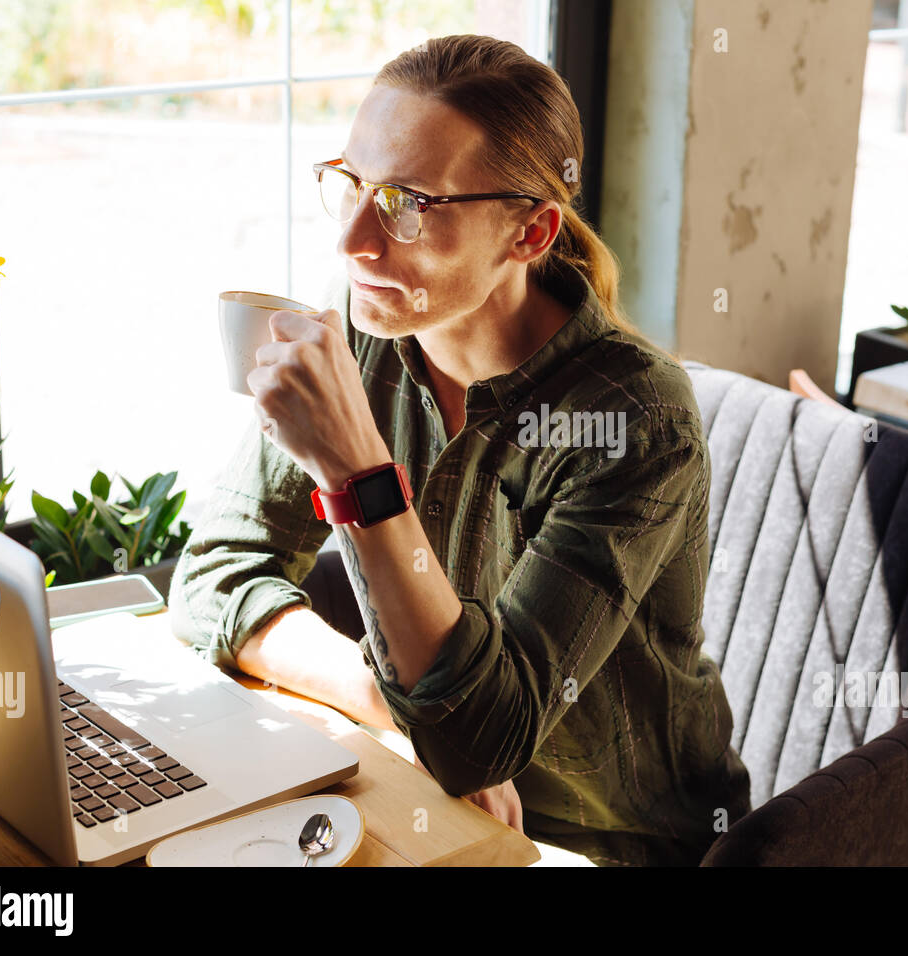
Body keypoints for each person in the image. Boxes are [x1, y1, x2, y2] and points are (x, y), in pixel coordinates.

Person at [168, 33, 751, 866]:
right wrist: (382, 697)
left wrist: (356, 474)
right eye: (354, 185)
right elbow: (212, 574)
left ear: (531, 233)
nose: (354, 242)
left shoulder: (633, 420)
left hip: (610, 840)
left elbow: (480, 742)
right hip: (420, 782)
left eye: (408, 204)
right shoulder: (371, 327)